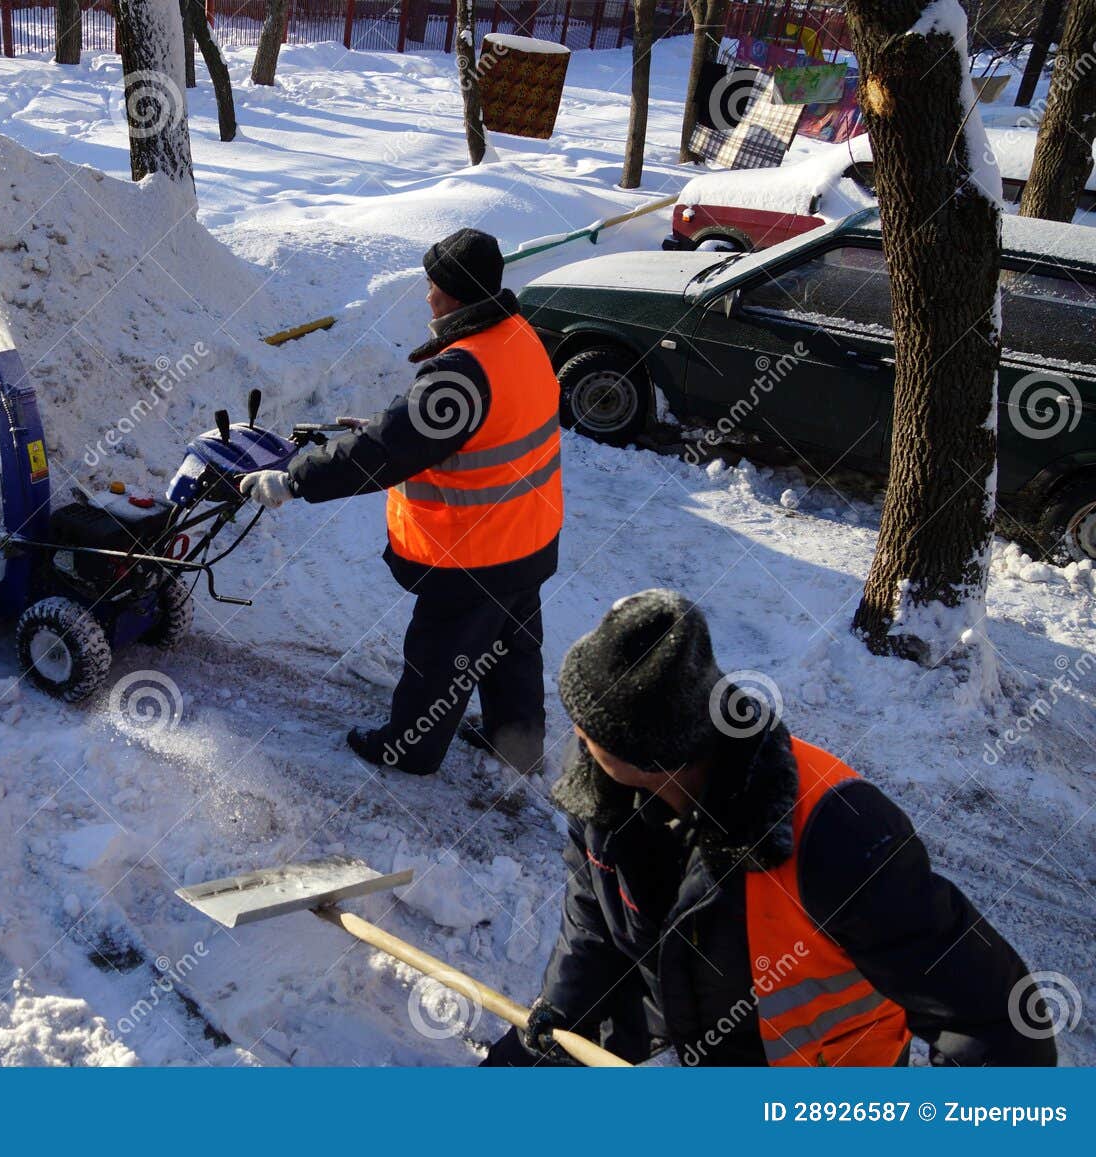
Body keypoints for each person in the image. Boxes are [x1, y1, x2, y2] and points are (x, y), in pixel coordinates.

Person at [484, 589, 1058, 1067]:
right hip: (688, 1038)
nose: (576, 737)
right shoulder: (602, 787)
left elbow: (999, 1020)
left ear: (646, 752)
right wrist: (561, 1017)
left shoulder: (839, 833)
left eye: (588, 730)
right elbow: (592, 921)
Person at [238, 228, 562, 777]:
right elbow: (473, 428)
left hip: (472, 552)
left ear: (453, 293)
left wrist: (294, 480)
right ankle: (518, 742)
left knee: (441, 655)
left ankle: (410, 748)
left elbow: (385, 452)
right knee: (512, 644)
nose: (427, 295)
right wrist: (401, 429)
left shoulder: (461, 370)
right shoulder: (517, 335)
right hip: (527, 535)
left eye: (433, 285)